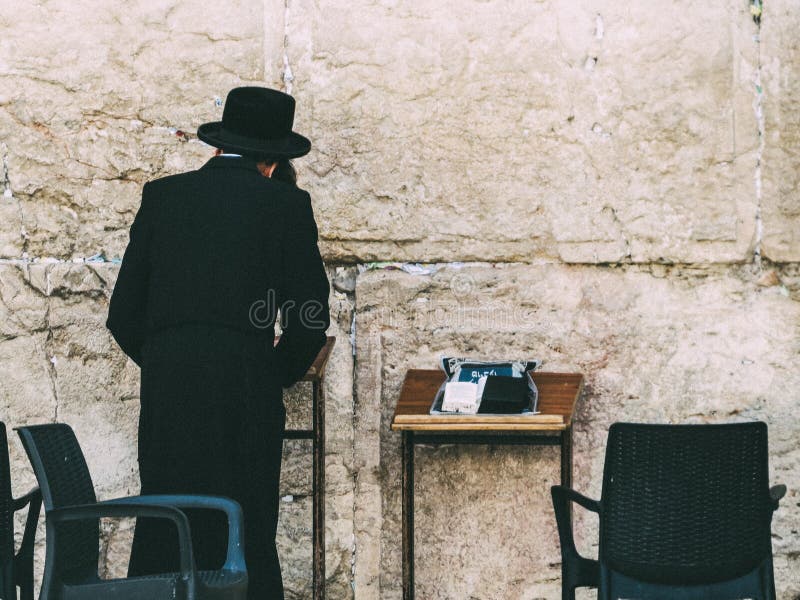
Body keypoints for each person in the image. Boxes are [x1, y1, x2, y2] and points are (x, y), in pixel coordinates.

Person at [106, 86, 330, 599]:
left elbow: (123, 315)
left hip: (169, 394)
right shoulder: (286, 204)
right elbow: (309, 318)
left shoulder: (163, 196)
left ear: (219, 145)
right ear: (272, 160)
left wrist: (168, 360)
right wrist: (266, 371)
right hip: (245, 391)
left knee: (168, 519)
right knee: (244, 527)